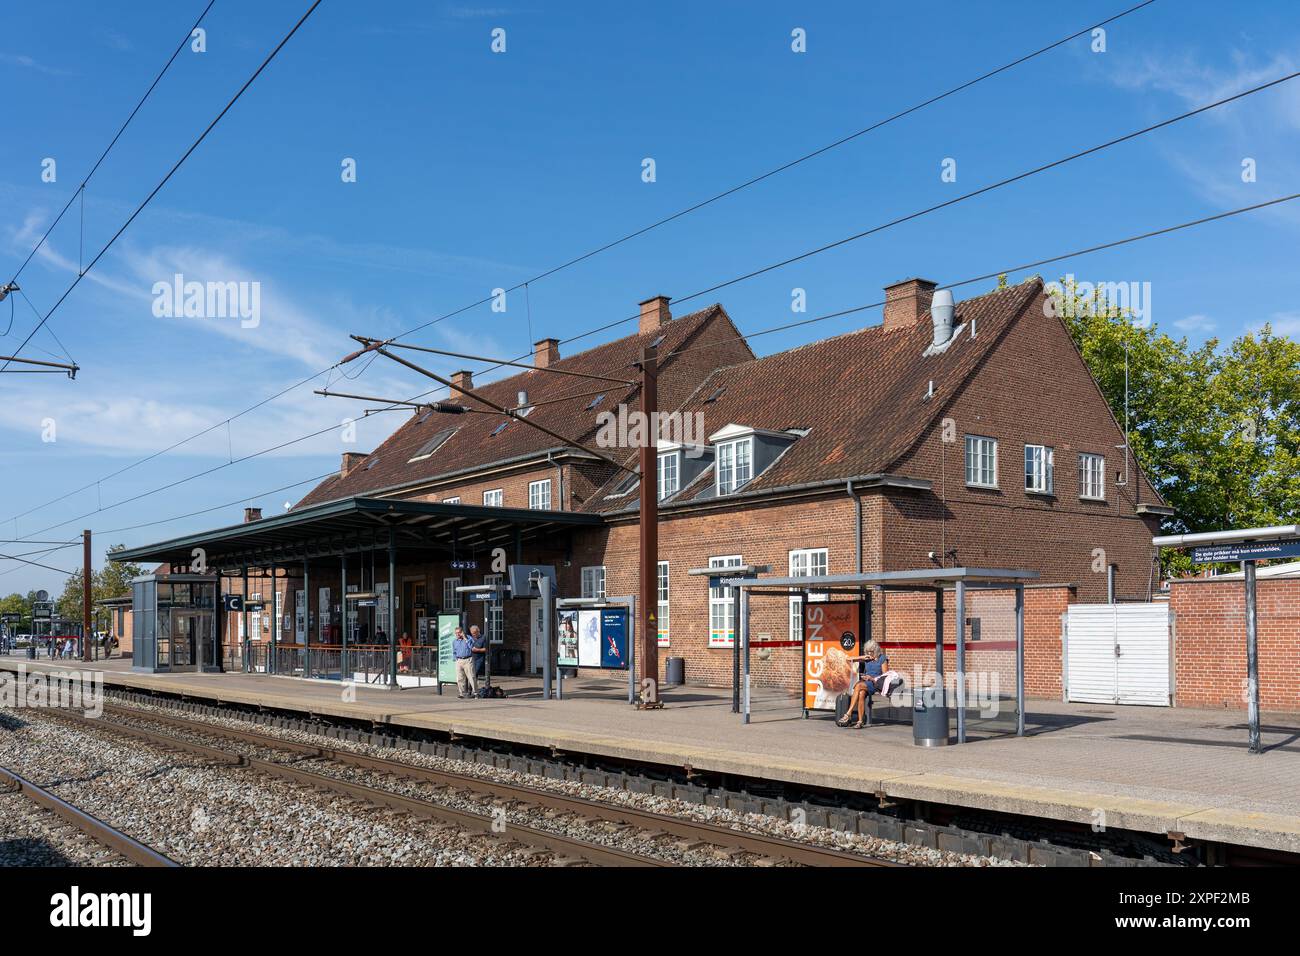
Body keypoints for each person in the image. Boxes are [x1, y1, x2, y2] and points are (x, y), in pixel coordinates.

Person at [838, 640, 888, 729]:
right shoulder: (867, 658)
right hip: (866, 682)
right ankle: (860, 721)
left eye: (871, 652)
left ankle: (848, 713)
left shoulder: (882, 658)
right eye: (868, 651)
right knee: (861, 693)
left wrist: (871, 678)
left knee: (858, 686)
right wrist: (863, 657)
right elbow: (848, 659)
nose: (870, 653)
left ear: (876, 650)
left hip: (875, 683)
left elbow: (885, 676)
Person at [452, 626, 477, 699]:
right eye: (456, 633)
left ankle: (475, 692)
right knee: (459, 678)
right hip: (459, 660)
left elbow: (472, 647)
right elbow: (454, 651)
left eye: (459, 633)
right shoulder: (454, 641)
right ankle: (462, 693)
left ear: (462, 632)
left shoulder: (468, 638)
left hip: (468, 660)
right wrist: (455, 658)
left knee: (471, 677)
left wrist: (465, 638)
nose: (457, 634)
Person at [469, 624, 488, 688]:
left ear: (478, 631)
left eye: (474, 633)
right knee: (471, 674)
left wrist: (477, 650)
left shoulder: (483, 638)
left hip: (478, 659)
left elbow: (486, 649)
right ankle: (472, 690)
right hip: (470, 658)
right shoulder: (470, 638)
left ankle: (473, 690)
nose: (473, 635)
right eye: (472, 633)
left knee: (474, 674)